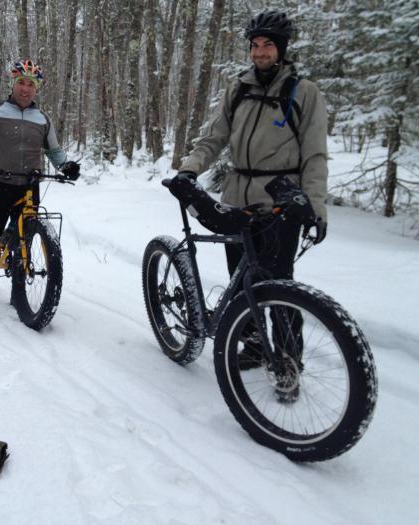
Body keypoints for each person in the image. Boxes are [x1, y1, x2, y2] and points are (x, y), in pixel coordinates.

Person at [177, 10, 328, 373]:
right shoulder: (239, 88)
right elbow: (214, 138)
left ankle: (289, 362)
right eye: (255, 46)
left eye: (268, 46)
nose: (260, 53)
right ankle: (256, 345)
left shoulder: (303, 93)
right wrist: (189, 169)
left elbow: (315, 155)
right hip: (236, 197)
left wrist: (316, 209)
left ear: (282, 49)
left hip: (280, 203)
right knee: (242, 279)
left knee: (279, 285)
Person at [0, 59, 79, 310]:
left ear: (37, 89)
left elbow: (54, 151)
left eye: (31, 84)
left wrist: (66, 166)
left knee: (25, 237)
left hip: (30, 186)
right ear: (12, 84)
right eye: (21, 82)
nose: (25, 88)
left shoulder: (42, 119)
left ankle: (18, 291)